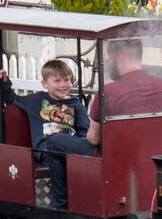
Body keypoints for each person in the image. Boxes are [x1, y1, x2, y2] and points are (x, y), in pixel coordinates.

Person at [0, 59, 93, 209]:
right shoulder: (36, 100)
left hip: (68, 151)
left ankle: (67, 206)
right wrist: (4, 82)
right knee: (54, 141)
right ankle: (62, 205)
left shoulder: (76, 105)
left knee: (62, 150)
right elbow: (11, 99)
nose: (63, 85)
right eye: (57, 81)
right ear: (45, 84)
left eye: (66, 80)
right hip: (44, 149)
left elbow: (83, 131)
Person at [87, 38, 162, 147]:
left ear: (119, 56)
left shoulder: (107, 92)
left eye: (109, 56)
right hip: (161, 156)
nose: (108, 61)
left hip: (118, 157)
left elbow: (94, 138)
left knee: (62, 140)